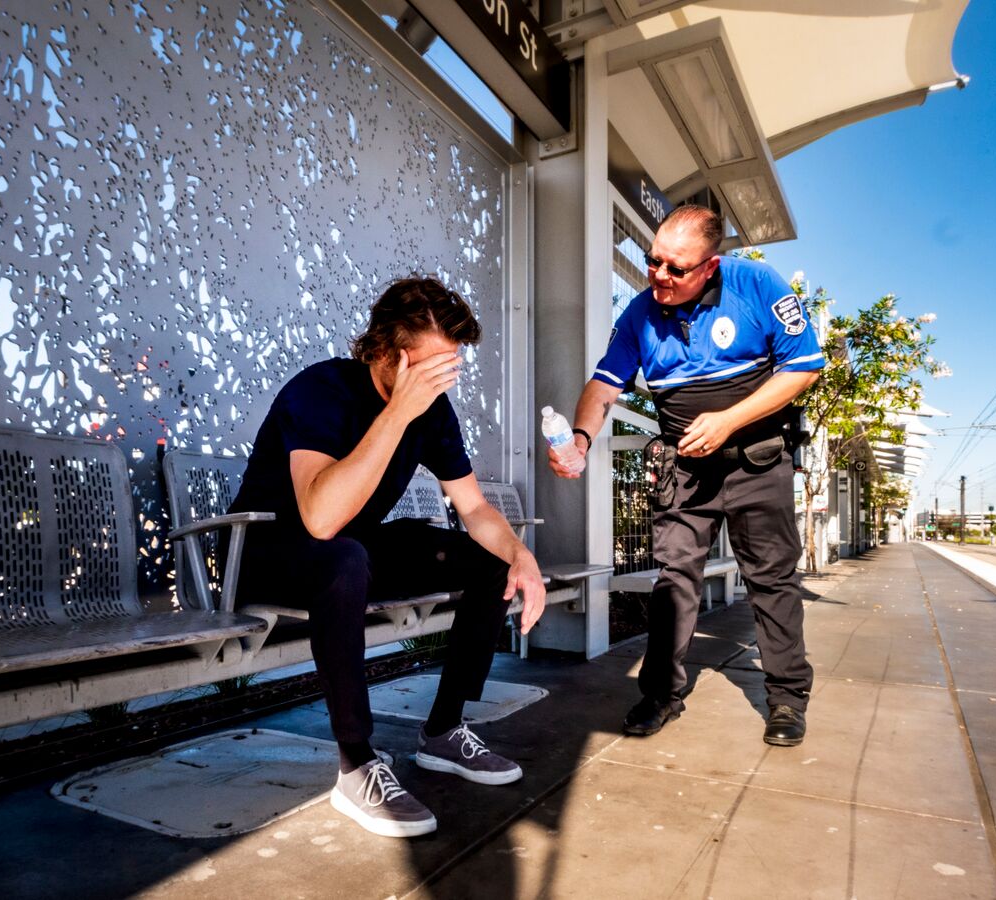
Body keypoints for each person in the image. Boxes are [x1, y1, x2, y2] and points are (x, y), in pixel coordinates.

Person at [231, 277, 546, 838]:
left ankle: (443, 731)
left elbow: (474, 507)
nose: (437, 383)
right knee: (345, 556)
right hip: (269, 554)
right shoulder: (321, 390)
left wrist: (522, 556)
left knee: (490, 562)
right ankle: (356, 763)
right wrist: (397, 414)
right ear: (383, 350)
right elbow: (320, 520)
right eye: (427, 369)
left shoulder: (433, 410)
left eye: (448, 368)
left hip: (350, 553)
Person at [550, 204, 823, 747]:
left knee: (771, 579)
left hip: (756, 461)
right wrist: (580, 439)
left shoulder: (758, 284)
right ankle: (660, 694)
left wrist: (727, 421)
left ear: (710, 266)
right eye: (653, 261)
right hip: (684, 469)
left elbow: (803, 367)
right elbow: (604, 386)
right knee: (674, 580)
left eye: (676, 268)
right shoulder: (639, 313)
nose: (660, 276)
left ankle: (787, 699)